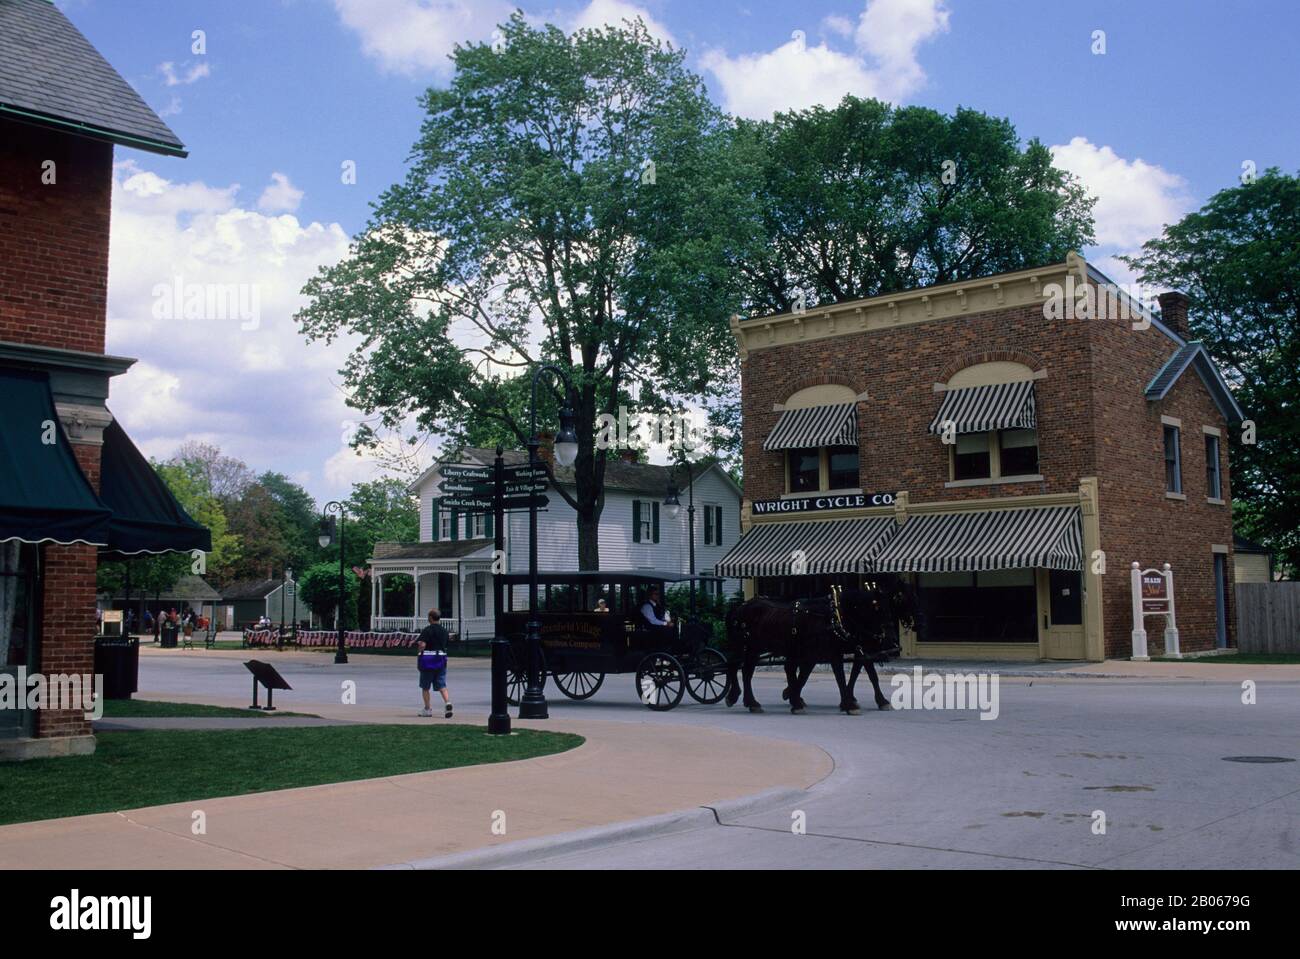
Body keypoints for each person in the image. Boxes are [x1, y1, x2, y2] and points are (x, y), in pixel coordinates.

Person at [416, 609, 452, 718]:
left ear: (431, 617)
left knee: (425, 686)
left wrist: (419, 652)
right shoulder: (444, 631)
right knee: (441, 684)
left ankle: (427, 709)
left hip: (428, 659)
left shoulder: (427, 630)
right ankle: (447, 703)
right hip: (441, 659)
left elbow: (422, 645)